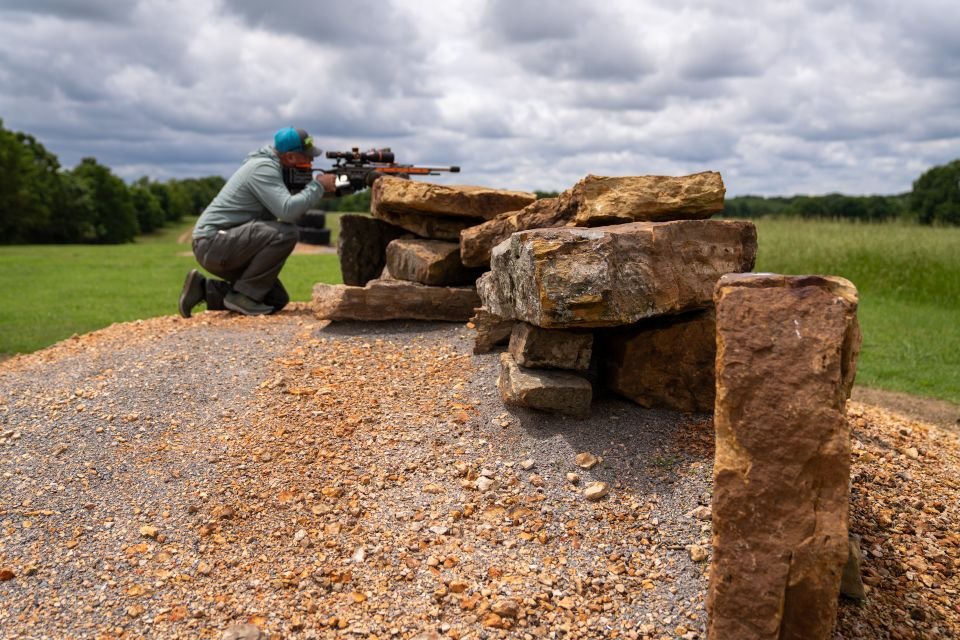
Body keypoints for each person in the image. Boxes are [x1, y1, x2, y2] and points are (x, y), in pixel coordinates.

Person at [178, 127, 337, 317]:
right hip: (213, 243)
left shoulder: (276, 168)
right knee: (286, 232)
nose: (311, 160)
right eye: (307, 155)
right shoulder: (263, 168)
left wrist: (341, 185)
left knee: (275, 298)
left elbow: (300, 201)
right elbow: (287, 211)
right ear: (291, 157)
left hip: (225, 244)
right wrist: (318, 185)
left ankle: (203, 289)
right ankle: (242, 297)